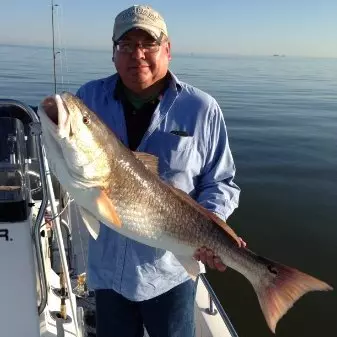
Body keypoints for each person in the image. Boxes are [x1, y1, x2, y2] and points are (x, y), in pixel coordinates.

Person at [76, 4, 243, 337]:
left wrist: (210, 231)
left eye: (147, 43)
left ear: (167, 50)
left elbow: (221, 181)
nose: (136, 54)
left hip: (170, 272)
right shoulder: (88, 100)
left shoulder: (201, 109)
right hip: (108, 272)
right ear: (113, 54)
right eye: (126, 45)